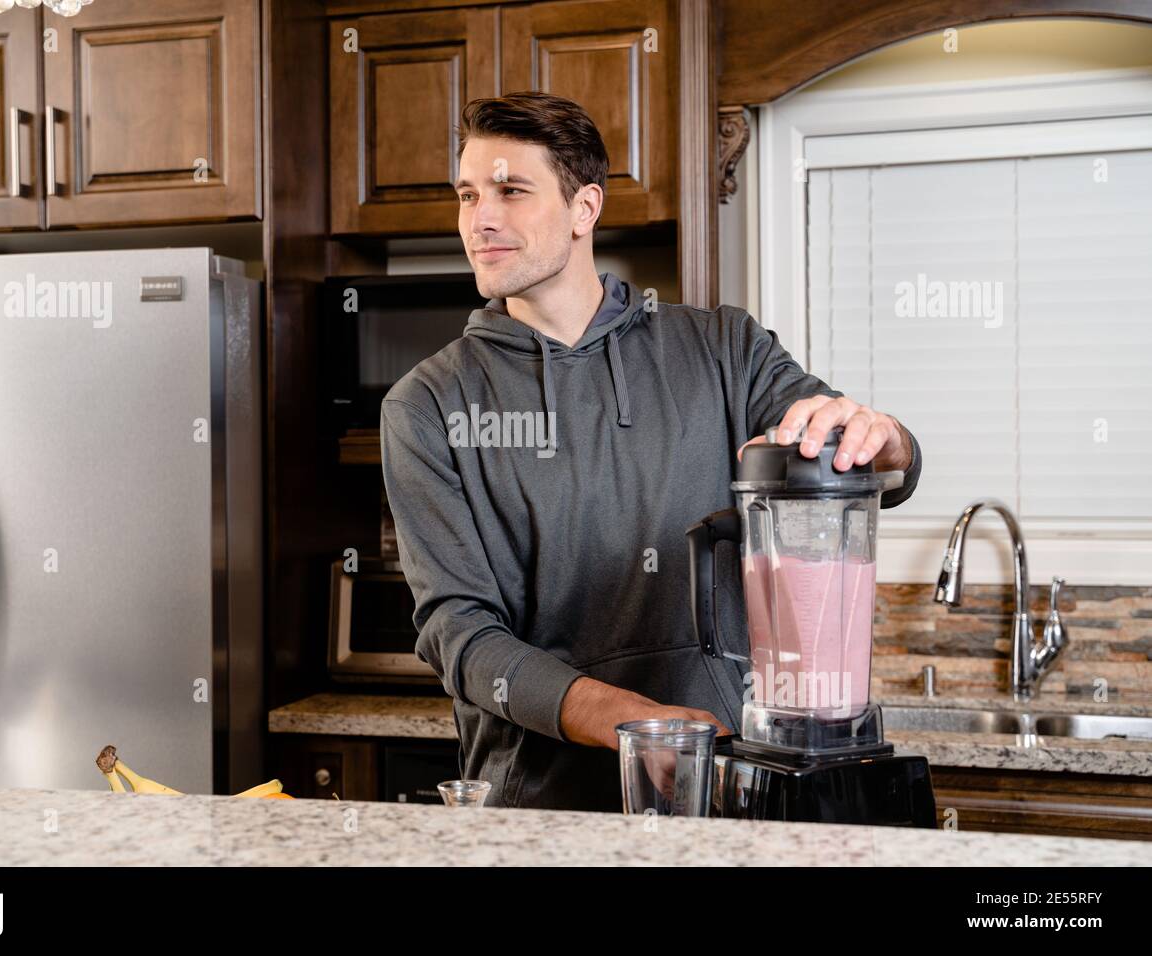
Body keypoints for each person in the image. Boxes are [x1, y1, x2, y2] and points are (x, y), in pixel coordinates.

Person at [379, 92, 921, 811]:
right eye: (469, 194)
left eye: (511, 191)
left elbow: (865, 459)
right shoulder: (427, 405)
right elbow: (461, 633)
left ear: (584, 209)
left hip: (728, 785)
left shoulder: (726, 350)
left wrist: (886, 439)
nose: (480, 219)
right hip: (540, 810)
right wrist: (636, 727)